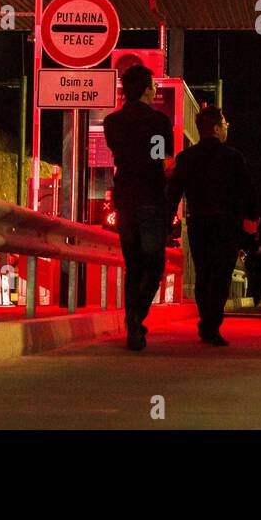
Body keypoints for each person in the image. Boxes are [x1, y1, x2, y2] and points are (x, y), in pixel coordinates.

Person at [167, 105, 259, 347]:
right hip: (227, 225)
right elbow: (248, 190)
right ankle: (211, 325)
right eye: (225, 124)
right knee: (220, 277)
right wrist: (253, 217)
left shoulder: (186, 158)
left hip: (199, 223)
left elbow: (174, 192)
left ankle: (207, 323)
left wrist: (166, 218)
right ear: (216, 129)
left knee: (204, 274)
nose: (228, 127)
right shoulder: (233, 158)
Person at [103, 65, 174, 351]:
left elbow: (119, 153)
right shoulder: (158, 121)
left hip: (125, 199)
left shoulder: (112, 122)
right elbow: (162, 158)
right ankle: (135, 318)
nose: (156, 90)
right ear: (146, 89)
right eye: (154, 86)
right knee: (154, 265)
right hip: (151, 199)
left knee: (133, 266)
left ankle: (133, 323)